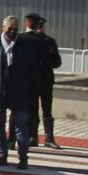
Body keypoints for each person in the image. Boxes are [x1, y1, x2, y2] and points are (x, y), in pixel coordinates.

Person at [0, 15, 41, 169]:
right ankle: (2, 154)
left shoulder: (25, 45)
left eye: (16, 29)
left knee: (20, 125)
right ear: (3, 28)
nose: (12, 32)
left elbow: (34, 68)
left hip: (18, 92)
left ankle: (23, 158)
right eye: (10, 29)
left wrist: (24, 83)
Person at [30, 14, 62, 149]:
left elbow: (57, 62)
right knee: (33, 109)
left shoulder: (50, 42)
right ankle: (33, 137)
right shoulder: (29, 41)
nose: (40, 29)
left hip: (46, 80)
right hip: (33, 80)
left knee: (47, 108)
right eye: (38, 27)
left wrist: (47, 59)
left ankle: (49, 138)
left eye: (41, 27)